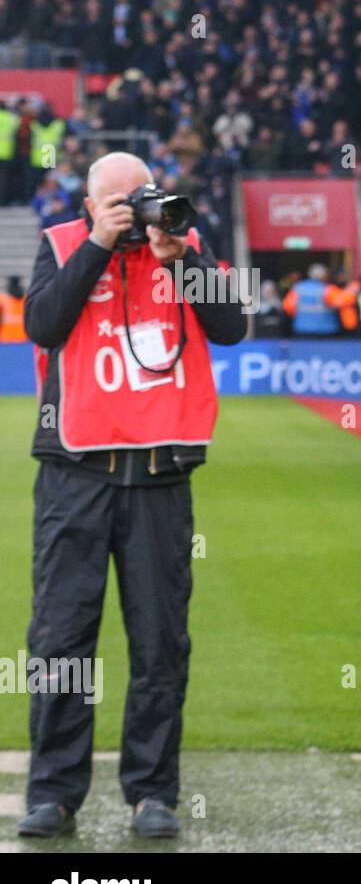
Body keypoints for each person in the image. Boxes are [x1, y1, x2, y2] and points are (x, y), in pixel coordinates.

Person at [17, 152, 245, 839]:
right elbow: (43, 325)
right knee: (60, 641)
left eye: (140, 196)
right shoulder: (61, 244)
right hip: (75, 471)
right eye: (115, 201)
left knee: (160, 643)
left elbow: (232, 326)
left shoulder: (184, 246)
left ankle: (152, 792)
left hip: (159, 474)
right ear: (87, 203)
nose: (132, 210)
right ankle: (54, 793)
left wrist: (180, 259)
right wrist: (97, 244)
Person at [283, 263, 349, 336]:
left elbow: (288, 307)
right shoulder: (328, 289)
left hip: (302, 329)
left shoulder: (298, 288)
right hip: (326, 330)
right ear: (324, 276)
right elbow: (342, 302)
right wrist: (352, 289)